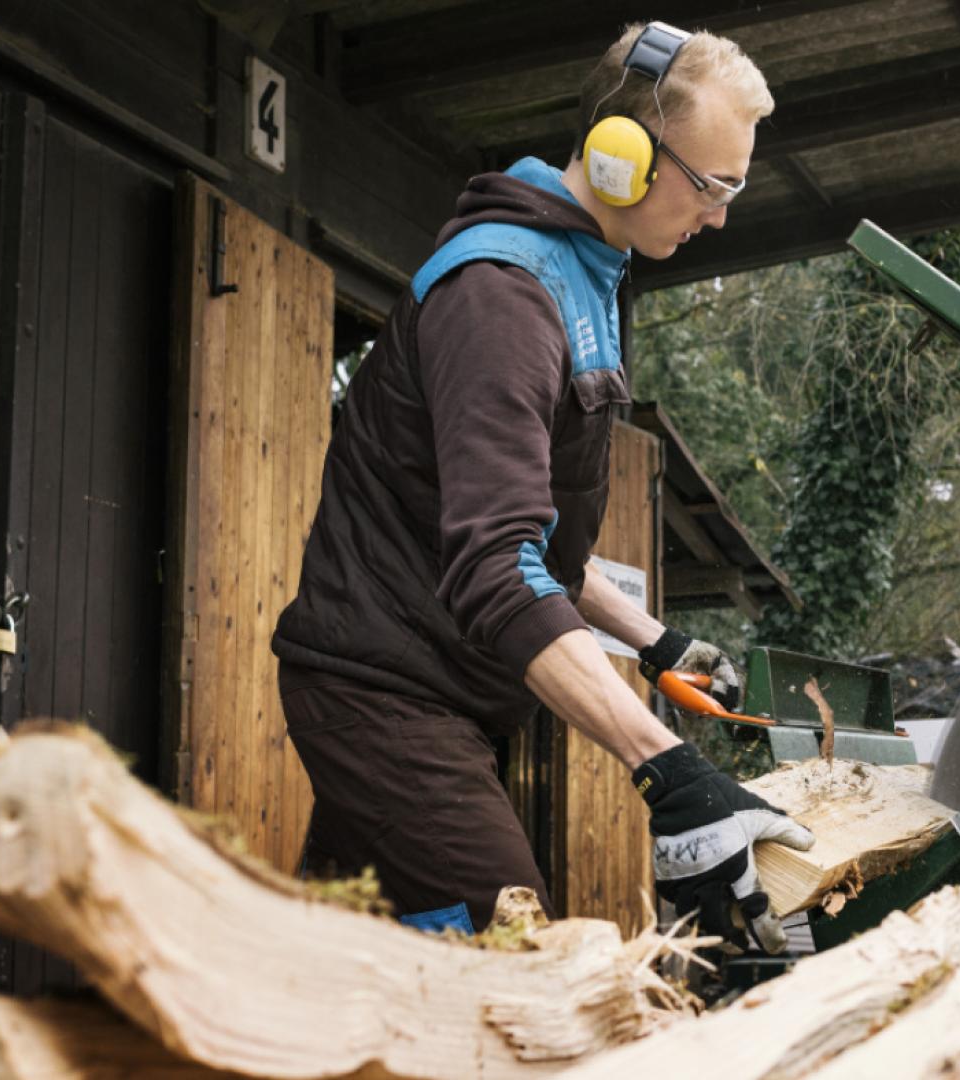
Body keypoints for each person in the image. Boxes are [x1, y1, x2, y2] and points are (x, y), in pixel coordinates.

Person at [271, 21, 812, 952]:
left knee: (336, 980)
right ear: (621, 156)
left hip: (429, 694)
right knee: (515, 965)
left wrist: (655, 642)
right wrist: (667, 770)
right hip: (386, 696)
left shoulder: (580, 274)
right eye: (711, 185)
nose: (720, 215)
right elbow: (492, 563)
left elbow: (532, 532)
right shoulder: (504, 295)